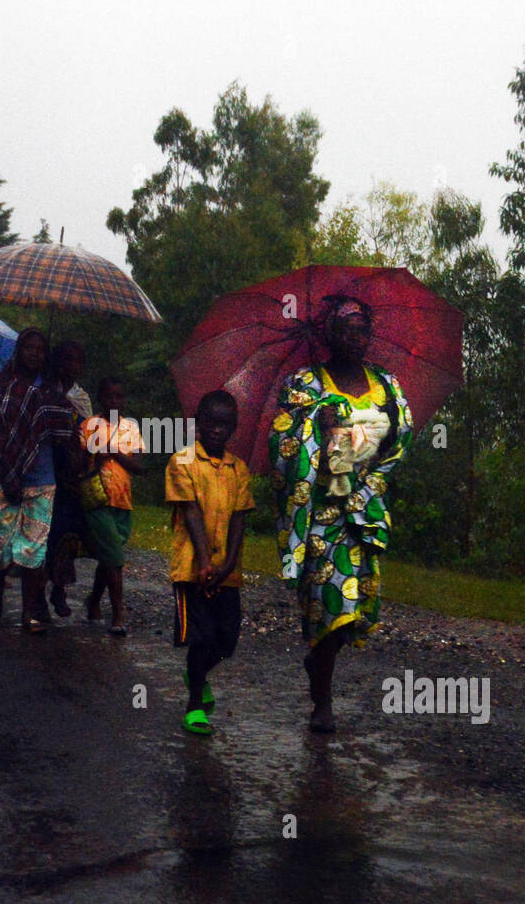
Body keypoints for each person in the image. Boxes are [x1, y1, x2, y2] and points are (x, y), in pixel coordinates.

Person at [269, 294, 413, 733]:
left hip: (362, 507)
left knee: (354, 603)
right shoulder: (305, 384)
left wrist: (365, 460)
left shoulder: (386, 385)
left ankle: (320, 661)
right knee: (331, 600)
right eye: (346, 328)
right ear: (329, 333)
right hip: (321, 515)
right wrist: (315, 421)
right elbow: (284, 442)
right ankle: (323, 699)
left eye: (362, 329)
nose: (355, 337)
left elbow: (400, 440)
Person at [0, 328, 77, 633]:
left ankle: (31, 610)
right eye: (30, 347)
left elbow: (64, 432)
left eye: (41, 349)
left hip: (41, 477)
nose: (35, 353)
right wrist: (7, 475)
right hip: (2, 476)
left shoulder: (51, 391)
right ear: (19, 350)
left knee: (34, 547)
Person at [165, 389, 254, 735]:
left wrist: (229, 564)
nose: (216, 430)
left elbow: (239, 518)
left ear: (233, 427)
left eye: (224, 424)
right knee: (200, 638)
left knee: (227, 640)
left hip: (227, 574)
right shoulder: (182, 461)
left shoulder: (239, 469)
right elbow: (190, 512)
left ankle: (197, 673)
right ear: (198, 424)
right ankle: (194, 705)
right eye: (210, 423)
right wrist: (205, 564)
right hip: (191, 569)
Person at [81, 378, 146, 635]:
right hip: (97, 499)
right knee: (115, 560)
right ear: (100, 399)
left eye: (119, 397)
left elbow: (139, 466)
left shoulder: (130, 428)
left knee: (109, 556)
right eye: (109, 397)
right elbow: (81, 461)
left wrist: (114, 452)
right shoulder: (89, 426)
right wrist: (96, 454)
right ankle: (118, 614)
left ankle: (94, 601)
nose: (114, 402)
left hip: (123, 500)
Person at [45, 341, 92, 618]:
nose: (71, 366)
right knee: (44, 535)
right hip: (47, 468)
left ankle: (59, 589)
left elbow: (89, 432)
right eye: (66, 359)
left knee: (66, 537)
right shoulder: (44, 391)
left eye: (76, 361)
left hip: (71, 474)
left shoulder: (80, 397)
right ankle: (37, 592)